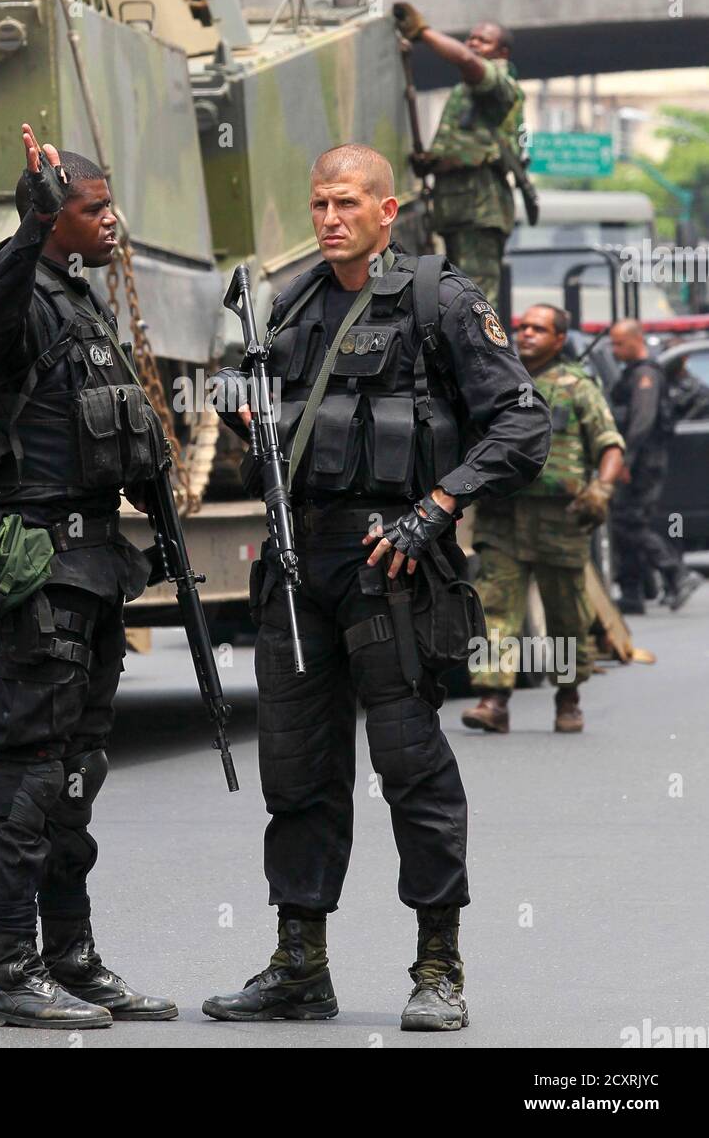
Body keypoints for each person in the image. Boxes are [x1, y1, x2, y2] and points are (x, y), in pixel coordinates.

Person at [202, 143, 551, 1031]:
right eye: (318, 203)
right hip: (298, 568)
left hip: (391, 569)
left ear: (386, 211)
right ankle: (298, 965)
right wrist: (245, 418)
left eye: (347, 202)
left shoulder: (439, 299)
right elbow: (280, 446)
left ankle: (438, 966)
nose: (329, 218)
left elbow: (520, 424)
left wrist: (433, 509)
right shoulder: (291, 306)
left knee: (410, 767)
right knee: (297, 772)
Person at [0, 124, 177, 1029]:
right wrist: (28, 225)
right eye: (92, 209)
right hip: (38, 565)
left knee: (78, 772)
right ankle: (10, 969)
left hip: (91, 569)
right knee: (30, 770)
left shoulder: (78, 300)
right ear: (50, 219)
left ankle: (70, 956)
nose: (111, 220)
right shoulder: (7, 298)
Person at [461, 304, 624, 735]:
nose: (527, 333)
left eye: (539, 328)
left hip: (560, 522)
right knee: (493, 609)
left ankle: (568, 697)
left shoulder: (576, 386)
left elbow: (610, 445)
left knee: (566, 616)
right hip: (502, 517)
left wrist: (601, 489)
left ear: (558, 339)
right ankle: (492, 699)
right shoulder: (495, 380)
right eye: (522, 327)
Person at [393, 3, 526, 305]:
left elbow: (466, 60)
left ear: (501, 53)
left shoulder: (500, 86)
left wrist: (422, 32)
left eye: (484, 40)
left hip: (480, 210)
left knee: (475, 301)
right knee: (453, 296)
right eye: (471, 38)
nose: (473, 44)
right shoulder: (463, 92)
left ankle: (480, 353)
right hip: (457, 208)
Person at [609, 320, 702, 614]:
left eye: (619, 344)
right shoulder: (637, 373)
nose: (614, 350)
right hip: (642, 460)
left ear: (636, 341)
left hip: (642, 463)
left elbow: (642, 421)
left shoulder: (646, 374)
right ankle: (634, 591)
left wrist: (626, 459)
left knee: (630, 522)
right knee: (628, 522)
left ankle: (676, 572)